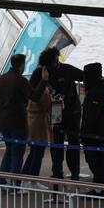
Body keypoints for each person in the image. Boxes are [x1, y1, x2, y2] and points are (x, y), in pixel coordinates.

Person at [39, 48, 81, 180]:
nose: (57, 63)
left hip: (72, 110)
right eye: (54, 62)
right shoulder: (44, 73)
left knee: (73, 142)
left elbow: (84, 76)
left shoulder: (68, 69)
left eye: (57, 60)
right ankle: (57, 171)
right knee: (57, 143)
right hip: (56, 110)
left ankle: (75, 172)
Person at [0, 53, 30, 176]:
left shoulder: (0, 79)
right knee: (17, 154)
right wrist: (44, 81)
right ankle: (14, 185)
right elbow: (34, 96)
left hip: (3, 123)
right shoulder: (21, 80)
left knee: (9, 151)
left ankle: (2, 180)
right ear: (21, 65)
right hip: (18, 123)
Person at [80, 62, 104, 184]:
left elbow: (91, 117)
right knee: (98, 158)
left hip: (93, 134)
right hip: (102, 130)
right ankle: (99, 184)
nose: (84, 80)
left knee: (94, 159)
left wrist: (84, 134)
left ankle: (99, 187)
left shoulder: (96, 93)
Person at [22, 64, 53, 177]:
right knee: (38, 153)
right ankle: (32, 178)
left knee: (33, 152)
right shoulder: (42, 91)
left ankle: (25, 177)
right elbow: (47, 105)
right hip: (39, 123)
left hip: (32, 122)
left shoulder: (31, 88)